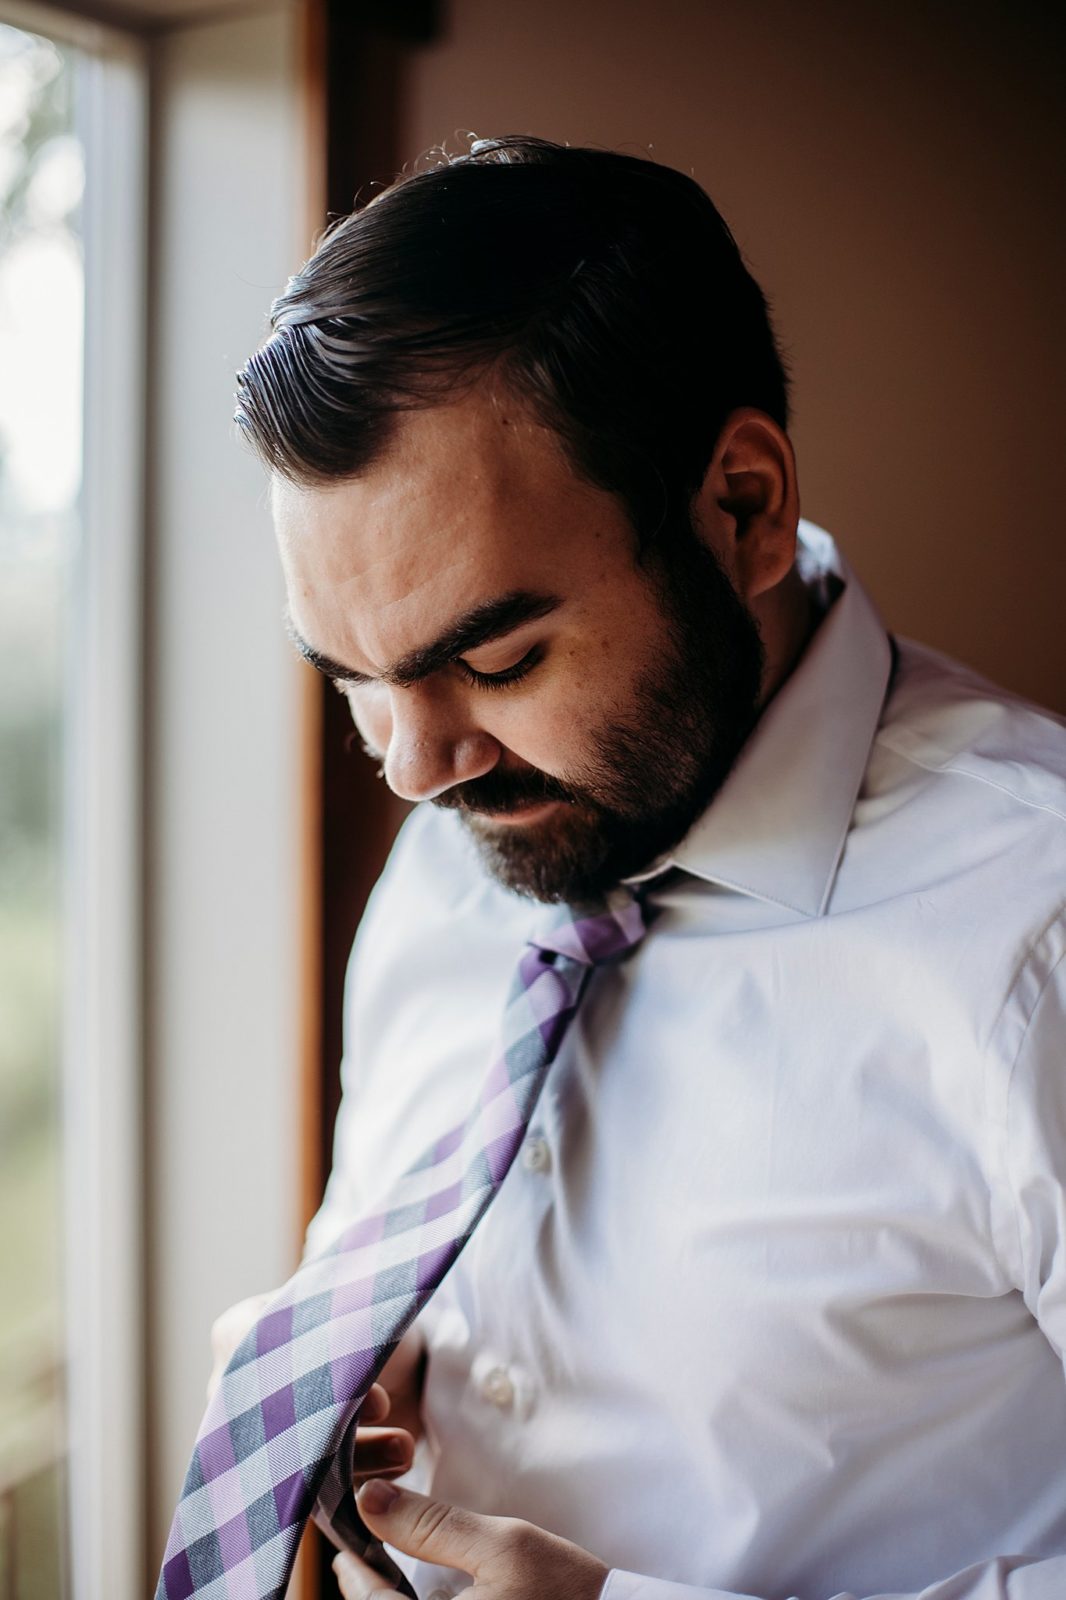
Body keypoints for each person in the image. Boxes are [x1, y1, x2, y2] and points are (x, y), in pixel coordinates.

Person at [214, 137, 1066, 1599]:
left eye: (494, 657)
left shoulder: (1031, 927)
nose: (415, 769)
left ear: (739, 506)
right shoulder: (468, 852)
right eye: (350, 679)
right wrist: (343, 1361)